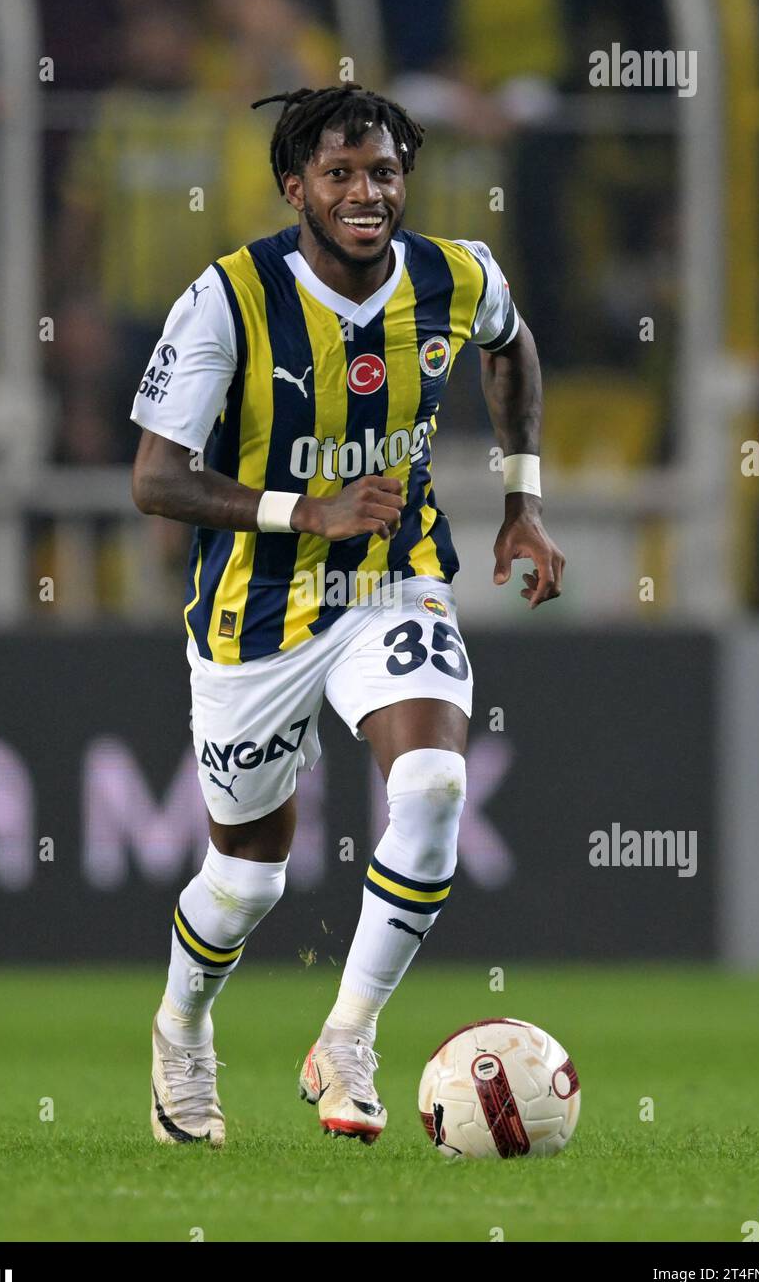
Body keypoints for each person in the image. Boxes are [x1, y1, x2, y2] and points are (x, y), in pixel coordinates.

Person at [130, 82, 565, 1146]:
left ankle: (350, 1037)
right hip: (255, 612)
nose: (367, 192)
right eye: (341, 174)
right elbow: (155, 478)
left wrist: (523, 499)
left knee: (432, 781)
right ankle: (181, 1030)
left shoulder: (456, 276)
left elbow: (511, 344)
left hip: (395, 577)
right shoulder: (228, 299)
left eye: (383, 171)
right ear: (298, 189)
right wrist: (304, 509)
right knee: (246, 878)